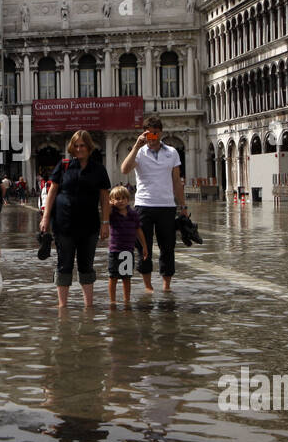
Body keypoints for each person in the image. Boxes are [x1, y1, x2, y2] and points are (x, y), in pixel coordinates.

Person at [39, 130, 111, 308]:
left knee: (86, 264)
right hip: (64, 224)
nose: (79, 149)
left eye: (83, 145)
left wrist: (105, 223)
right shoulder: (63, 166)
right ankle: (62, 306)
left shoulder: (98, 169)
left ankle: (89, 307)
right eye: (76, 146)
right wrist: (45, 218)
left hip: (90, 225)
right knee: (64, 263)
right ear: (72, 147)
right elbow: (52, 192)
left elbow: (104, 197)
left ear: (89, 147)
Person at [120, 115, 190, 293]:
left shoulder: (172, 152)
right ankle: (148, 285)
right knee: (143, 246)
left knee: (168, 246)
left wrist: (183, 207)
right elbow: (124, 169)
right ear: (144, 133)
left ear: (161, 133)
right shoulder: (139, 152)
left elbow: (176, 181)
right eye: (149, 134)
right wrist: (136, 146)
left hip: (166, 205)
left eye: (155, 133)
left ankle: (167, 285)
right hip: (144, 205)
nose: (152, 137)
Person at [106, 185, 148, 304]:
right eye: (117, 198)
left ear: (128, 199)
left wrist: (144, 246)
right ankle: (112, 301)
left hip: (128, 250)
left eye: (123, 198)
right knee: (113, 277)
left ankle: (126, 300)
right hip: (115, 250)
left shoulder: (133, 214)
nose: (120, 201)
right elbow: (105, 208)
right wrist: (109, 203)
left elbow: (139, 231)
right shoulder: (112, 213)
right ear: (112, 201)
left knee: (127, 277)